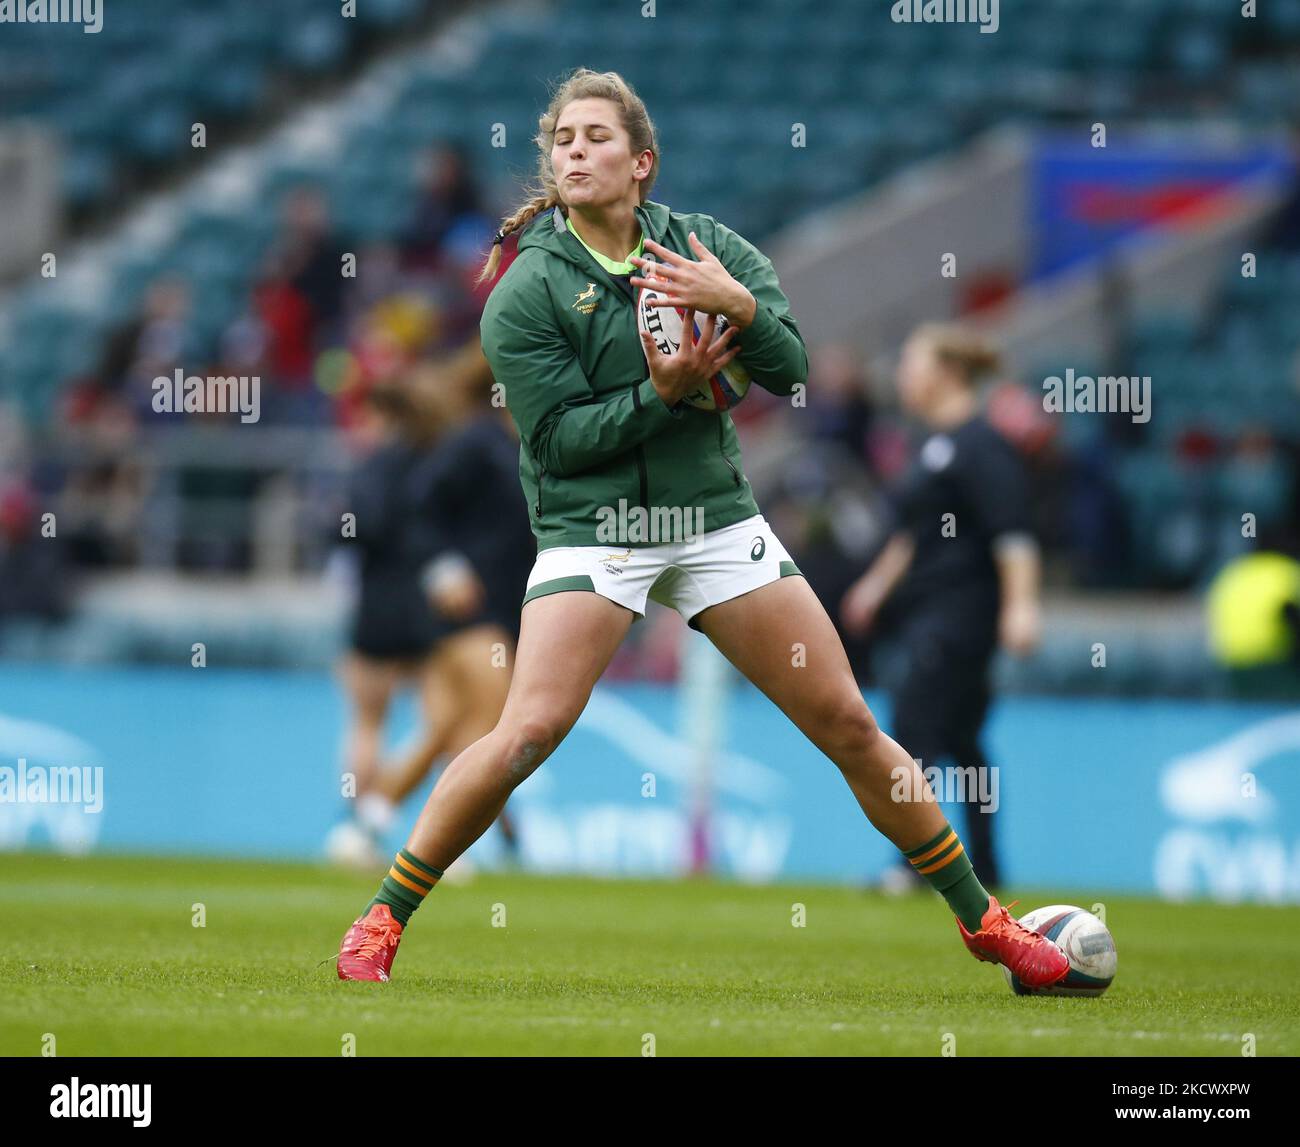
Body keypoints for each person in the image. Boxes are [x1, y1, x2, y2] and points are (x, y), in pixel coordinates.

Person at [334, 67, 1067, 990]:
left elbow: (794, 367)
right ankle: (382, 919)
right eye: (562, 140)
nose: (574, 152)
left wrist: (741, 309)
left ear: (642, 161)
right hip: (593, 526)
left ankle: (988, 926)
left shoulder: (706, 246)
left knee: (845, 719)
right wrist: (661, 396)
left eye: (596, 138)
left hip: (714, 520)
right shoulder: (523, 295)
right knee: (526, 731)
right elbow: (559, 445)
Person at [841, 324, 1043, 892]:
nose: (903, 373)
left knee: (914, 727)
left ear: (948, 373)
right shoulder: (932, 446)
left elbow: (1014, 532)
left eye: (912, 361)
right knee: (962, 740)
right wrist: (875, 587)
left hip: (961, 612)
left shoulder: (981, 445)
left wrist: (1022, 606)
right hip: (928, 606)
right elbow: (915, 533)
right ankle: (988, 867)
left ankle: (914, 866)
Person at [327, 378, 522, 872]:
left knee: (449, 729)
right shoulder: (478, 442)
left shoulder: (522, 441)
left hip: (507, 608)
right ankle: (441, 845)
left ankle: (369, 823)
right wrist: (444, 569)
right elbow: (419, 507)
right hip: (471, 612)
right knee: (485, 726)